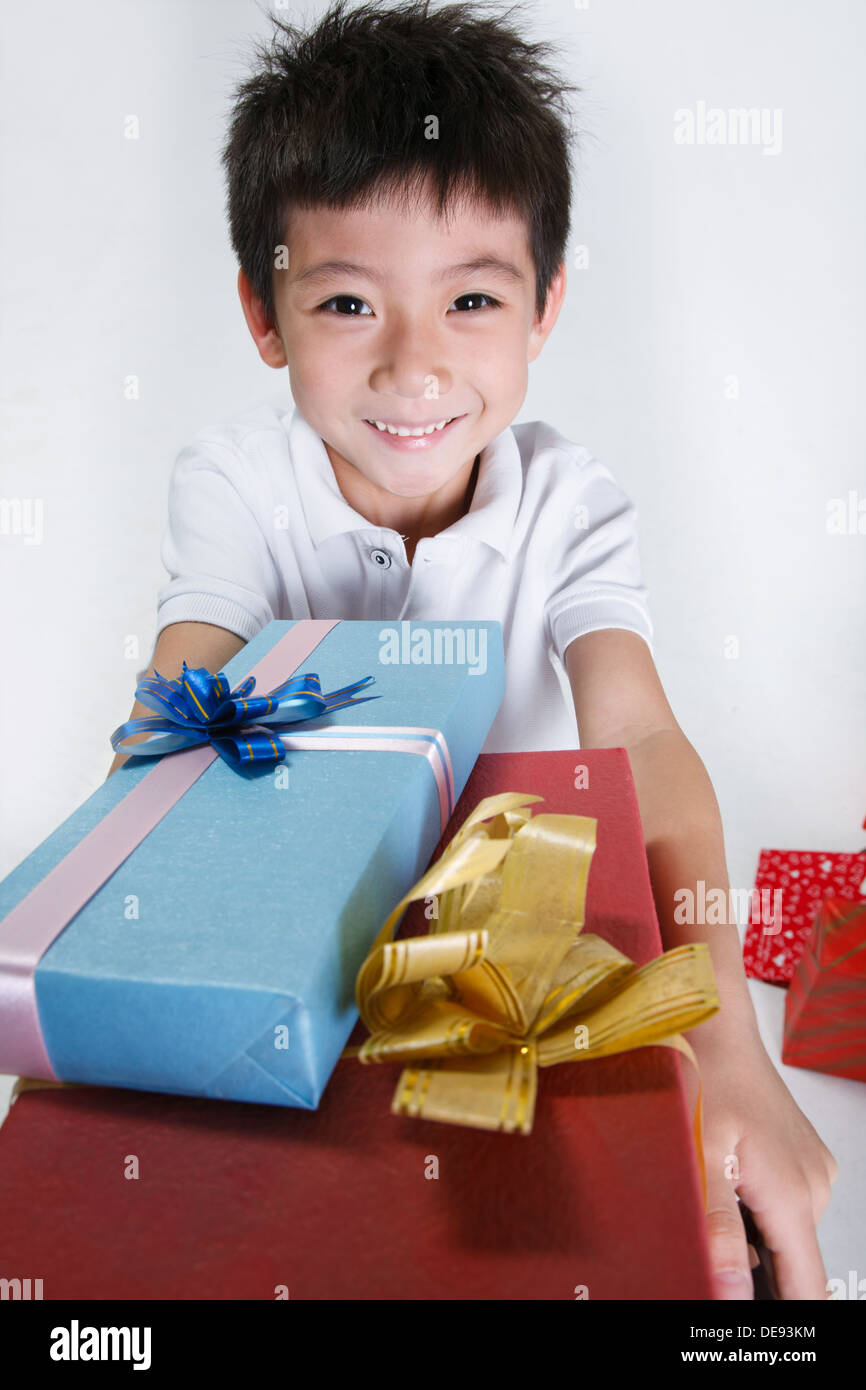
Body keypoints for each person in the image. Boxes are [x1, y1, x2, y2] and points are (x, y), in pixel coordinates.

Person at [107, 0, 837, 1298]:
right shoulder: (233, 478)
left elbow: (641, 736)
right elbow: (186, 681)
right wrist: (180, 734)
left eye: (472, 298)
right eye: (345, 299)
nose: (414, 365)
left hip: (518, 936)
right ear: (262, 312)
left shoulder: (569, 497)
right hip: (293, 917)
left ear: (546, 306)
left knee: (591, 1230)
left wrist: (727, 1041)